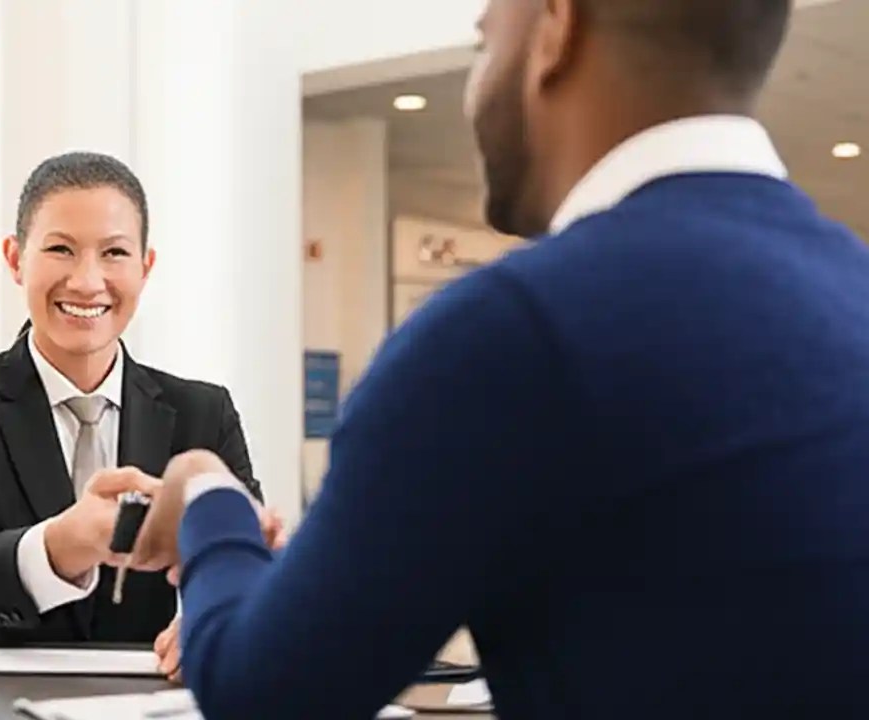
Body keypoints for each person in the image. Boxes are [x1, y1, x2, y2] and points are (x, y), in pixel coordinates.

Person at [124, 0, 869, 717]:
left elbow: (268, 690)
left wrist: (205, 494)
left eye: (483, 44)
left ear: (557, 25)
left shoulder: (510, 334)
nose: (474, 87)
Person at [0, 152, 266, 663]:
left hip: (151, 696)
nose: (86, 281)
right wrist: (66, 542)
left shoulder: (202, 414)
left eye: (114, 253)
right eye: (61, 249)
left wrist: (215, 616)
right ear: (15, 258)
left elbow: (245, 561)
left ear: (145, 267)